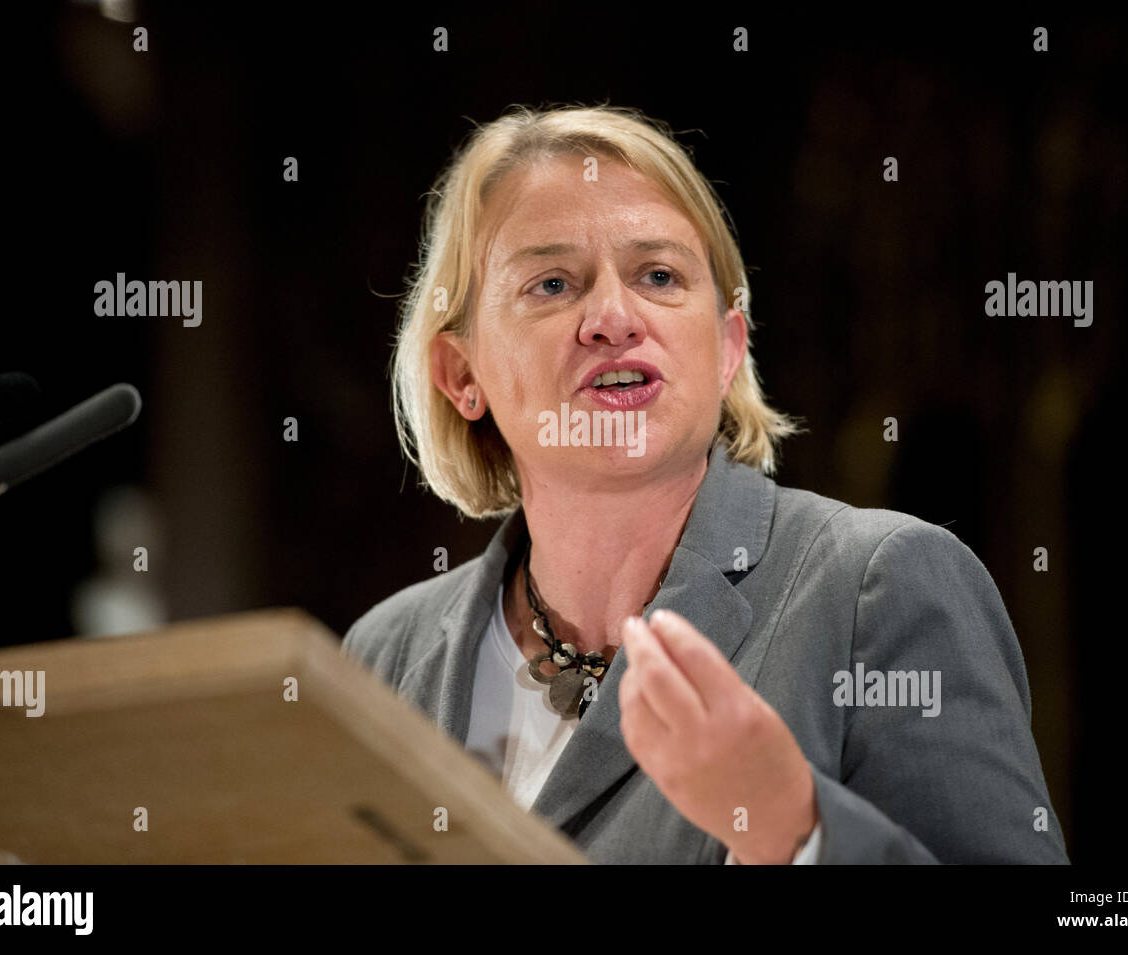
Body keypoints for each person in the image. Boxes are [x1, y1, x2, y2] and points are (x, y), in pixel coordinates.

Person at [343, 104, 1069, 864]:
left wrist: (797, 830)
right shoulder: (383, 659)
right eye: (553, 283)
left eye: (659, 275)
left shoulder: (878, 588)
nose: (613, 317)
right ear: (462, 374)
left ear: (727, 349)